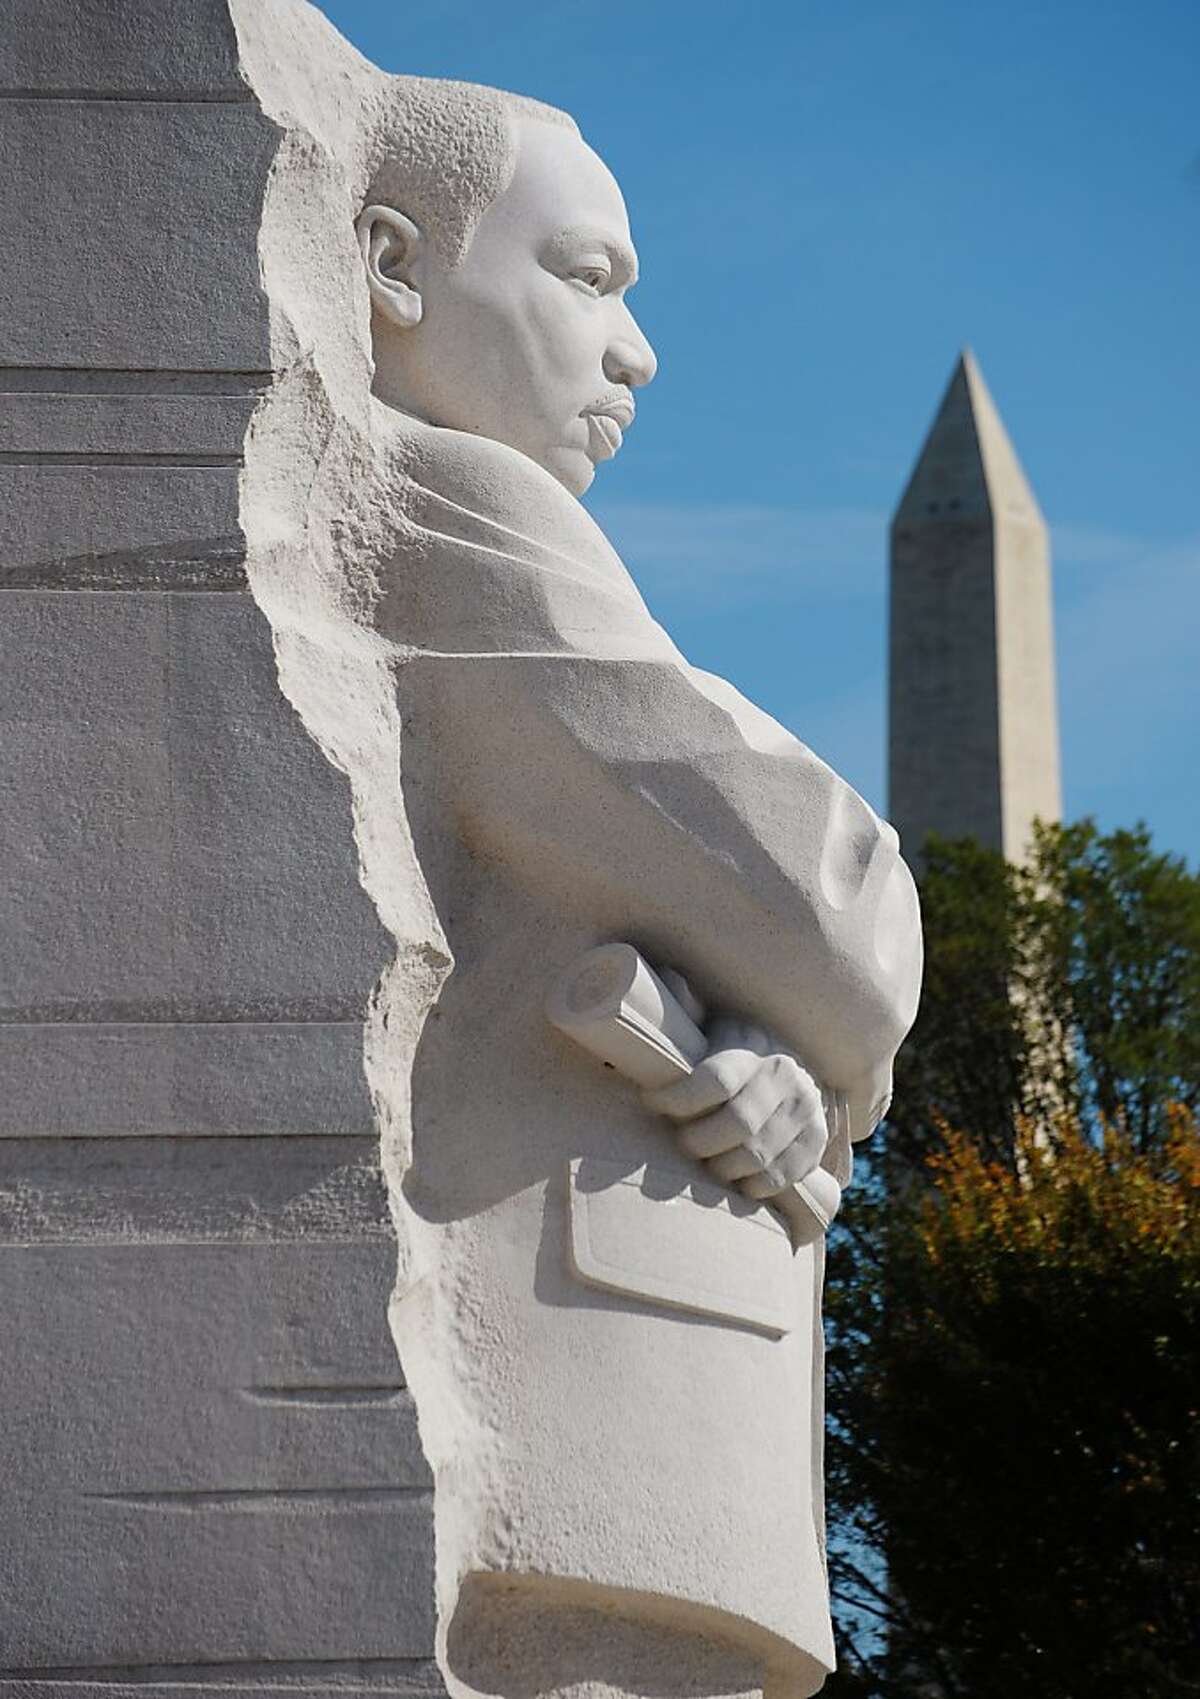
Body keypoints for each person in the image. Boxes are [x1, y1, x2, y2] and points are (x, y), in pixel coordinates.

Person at [351, 75, 922, 1699]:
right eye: (585, 278)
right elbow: (830, 910)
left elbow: (789, 964)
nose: (639, 352)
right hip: (579, 1412)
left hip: (630, 1411)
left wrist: (801, 1067)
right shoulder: (448, 502)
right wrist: (831, 1012)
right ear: (392, 267)